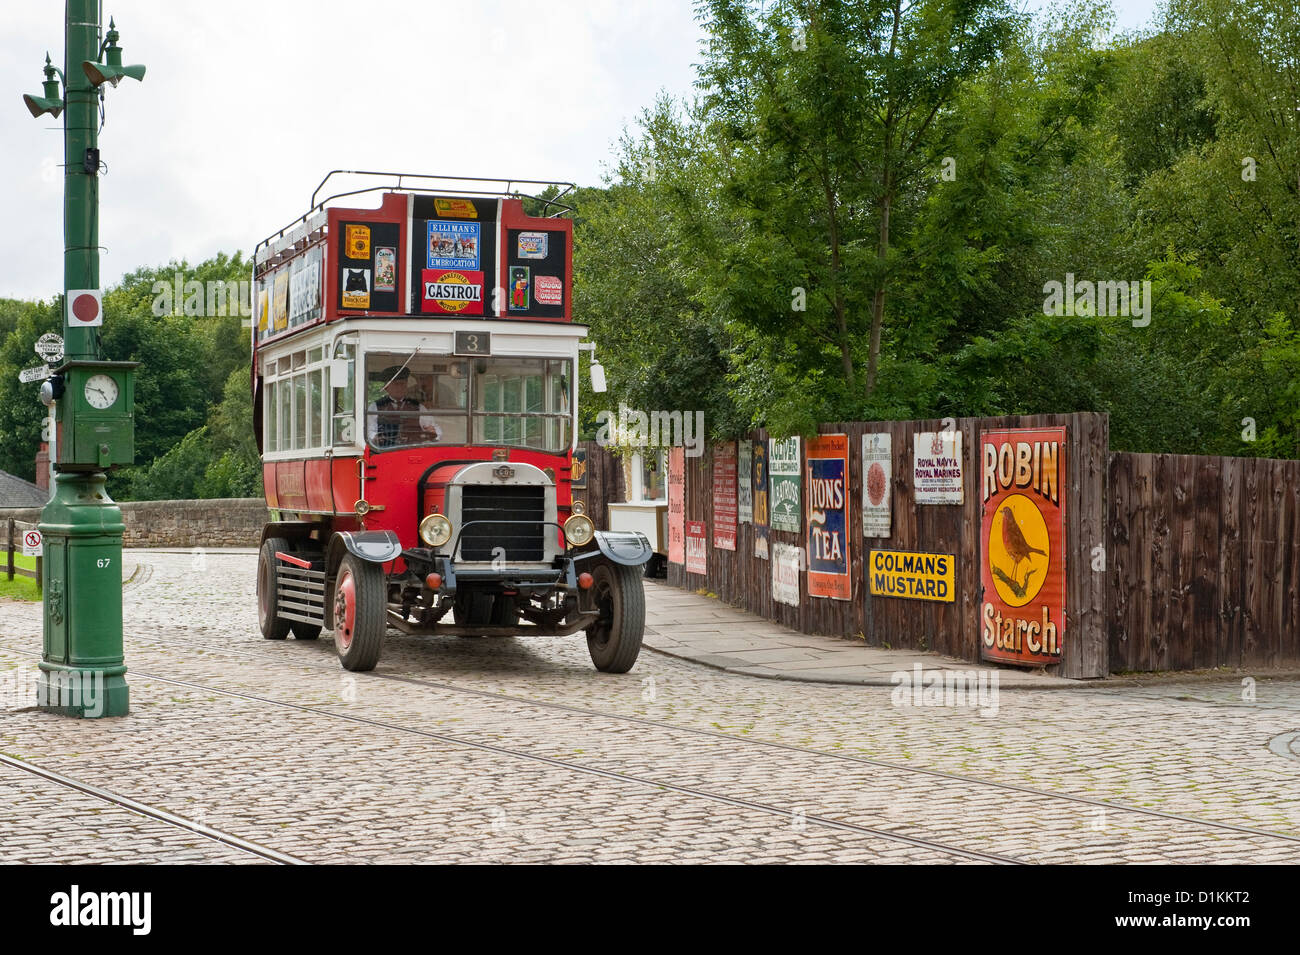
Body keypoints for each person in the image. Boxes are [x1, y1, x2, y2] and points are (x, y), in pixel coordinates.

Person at [366, 365, 442, 447]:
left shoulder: (418, 407)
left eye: (403, 384)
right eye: (396, 384)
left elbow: (435, 430)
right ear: (386, 387)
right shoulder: (375, 407)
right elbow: (370, 430)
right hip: (385, 451)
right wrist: (374, 437)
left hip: (412, 453)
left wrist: (434, 433)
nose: (400, 388)